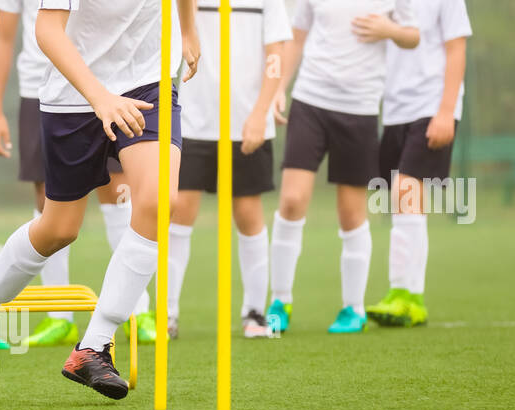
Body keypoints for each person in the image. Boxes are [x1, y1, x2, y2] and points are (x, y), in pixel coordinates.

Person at [0, 0, 200, 400]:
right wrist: (101, 98)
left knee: (158, 203)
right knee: (59, 229)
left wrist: (188, 30)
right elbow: (47, 29)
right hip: (75, 93)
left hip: (147, 80)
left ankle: (94, 346)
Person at [0, 1, 161, 348]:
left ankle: (133, 312)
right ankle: (56, 316)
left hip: (124, 84)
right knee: (56, 220)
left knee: (129, 193)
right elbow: (8, 37)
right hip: (49, 89)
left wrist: (188, 32)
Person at [268, 0, 418, 334]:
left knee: (351, 214)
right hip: (310, 101)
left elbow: (413, 36)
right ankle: (279, 302)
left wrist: (389, 30)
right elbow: (297, 35)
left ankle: (353, 308)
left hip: (360, 109)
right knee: (292, 201)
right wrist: (280, 89)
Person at [170, 0, 291, 339]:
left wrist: (260, 112)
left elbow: (275, 55)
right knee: (179, 211)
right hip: (193, 119)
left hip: (248, 123)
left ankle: (254, 312)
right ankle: (167, 313)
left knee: (249, 214)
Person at [367, 0, 471, 328]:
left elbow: (456, 48)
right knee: (407, 203)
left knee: (404, 193)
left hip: (431, 105)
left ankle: (402, 292)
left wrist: (446, 111)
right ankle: (413, 297)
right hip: (395, 109)